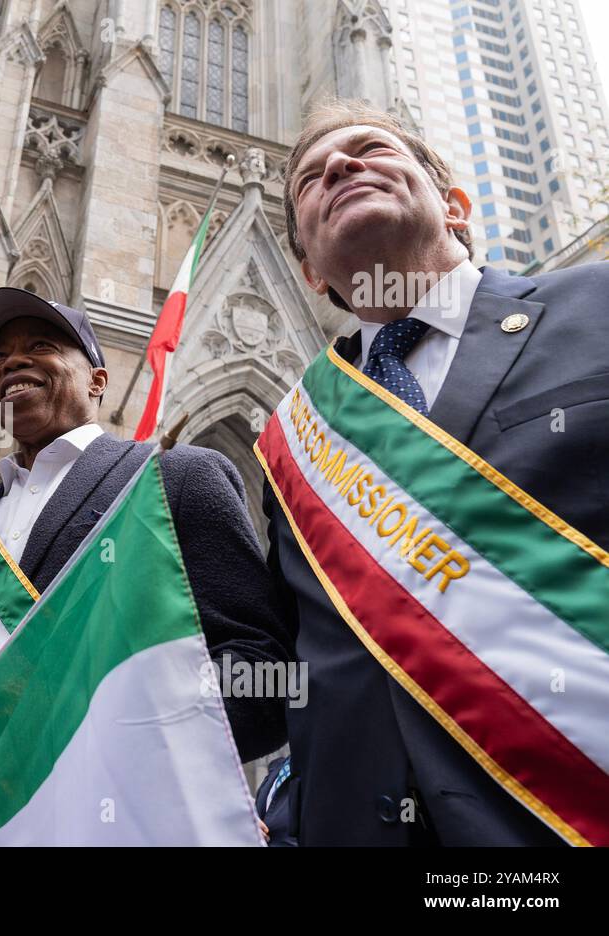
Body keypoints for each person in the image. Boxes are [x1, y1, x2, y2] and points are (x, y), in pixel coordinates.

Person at [264, 99, 609, 845]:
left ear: (455, 206)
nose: (340, 168)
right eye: (311, 181)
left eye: (368, 149)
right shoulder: (290, 443)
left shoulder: (597, 306)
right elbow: (289, 666)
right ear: (310, 274)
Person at [0, 287, 293, 845]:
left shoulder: (176, 478)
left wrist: (74, 731)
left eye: (41, 345)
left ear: (98, 381)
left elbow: (262, 680)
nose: (12, 363)